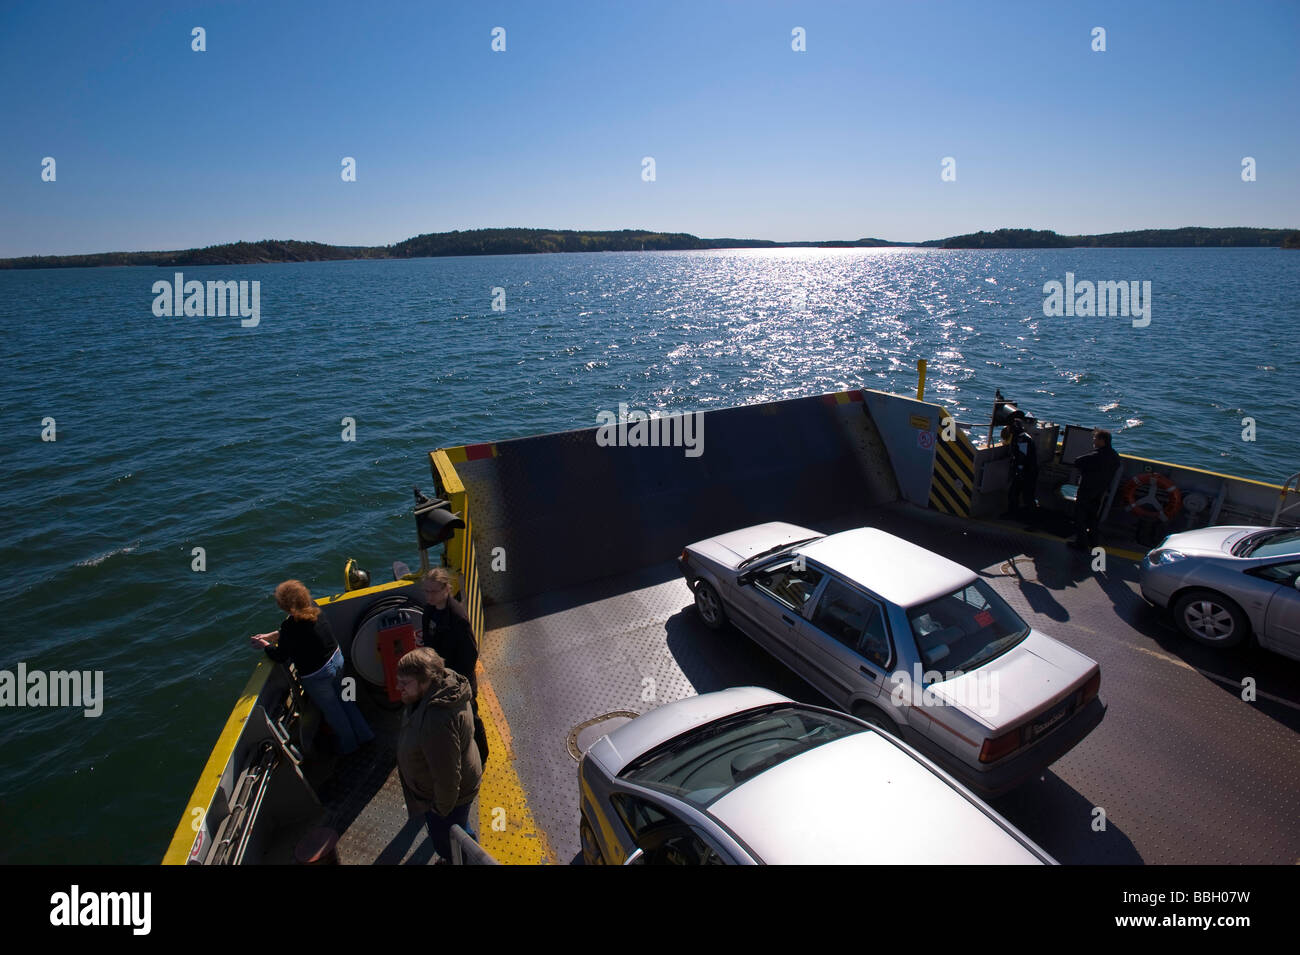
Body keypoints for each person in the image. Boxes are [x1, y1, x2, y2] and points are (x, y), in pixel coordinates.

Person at [250, 580, 375, 755]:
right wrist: (272, 636)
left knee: (334, 713)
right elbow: (290, 633)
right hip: (337, 660)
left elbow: (280, 655)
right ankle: (366, 735)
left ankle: (350, 747)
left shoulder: (290, 628)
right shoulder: (315, 607)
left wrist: (265, 644)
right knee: (347, 700)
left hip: (318, 676)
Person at [395, 646, 482, 863]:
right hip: (455, 790)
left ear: (426, 682)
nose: (398, 687)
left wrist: (439, 810)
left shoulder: (437, 722)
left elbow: (448, 778)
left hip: (447, 800)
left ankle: (461, 859)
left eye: (405, 683)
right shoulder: (445, 683)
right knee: (460, 829)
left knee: (450, 837)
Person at [420, 567, 488, 764]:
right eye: (426, 591)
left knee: (471, 714)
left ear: (445, 589)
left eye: (433, 591)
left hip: (459, 678)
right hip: (441, 675)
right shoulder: (429, 611)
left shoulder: (457, 617)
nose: (429, 596)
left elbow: (470, 654)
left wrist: (458, 681)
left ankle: (482, 754)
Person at [1070, 429, 1121, 550]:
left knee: (1080, 516)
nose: (1094, 440)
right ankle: (1093, 542)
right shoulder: (1115, 456)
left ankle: (1081, 543)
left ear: (1102, 441)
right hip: (1101, 491)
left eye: (1095, 438)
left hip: (1087, 489)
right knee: (1093, 517)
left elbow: (1078, 461)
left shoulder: (1096, 455)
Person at [1004, 416, 1039, 518]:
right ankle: (1018, 514)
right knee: (1018, 494)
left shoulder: (1021, 439)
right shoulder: (1024, 436)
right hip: (1029, 470)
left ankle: (1030, 519)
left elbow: (1022, 457)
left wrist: (1019, 471)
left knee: (1025, 496)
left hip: (1026, 471)